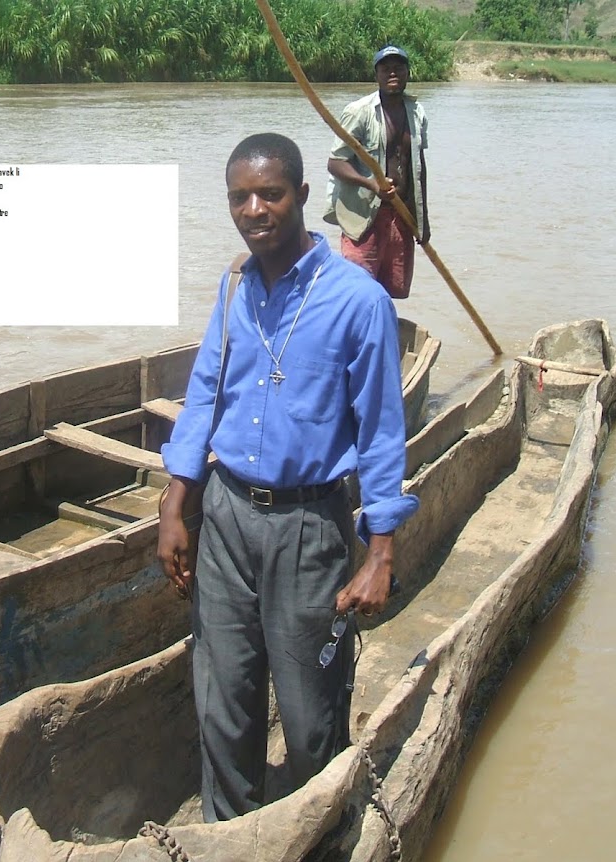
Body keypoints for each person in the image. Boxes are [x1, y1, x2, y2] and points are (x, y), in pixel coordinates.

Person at [157, 132, 418, 822]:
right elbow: (205, 392)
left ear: (302, 196)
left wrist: (380, 552)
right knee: (225, 701)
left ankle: (319, 830)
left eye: (270, 194)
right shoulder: (234, 286)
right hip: (227, 517)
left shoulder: (359, 302)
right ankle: (228, 834)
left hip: (308, 526)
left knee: (309, 714)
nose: (254, 210)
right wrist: (175, 504)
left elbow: (381, 433)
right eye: (239, 198)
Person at [325, 45, 430, 300]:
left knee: (391, 293)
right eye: (386, 69)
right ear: (377, 75)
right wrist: (371, 183)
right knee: (358, 292)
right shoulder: (359, 112)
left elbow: (418, 165)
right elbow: (336, 162)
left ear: (408, 73)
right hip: (365, 217)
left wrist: (423, 219)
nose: (393, 73)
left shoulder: (417, 112)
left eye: (399, 68)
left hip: (402, 216)